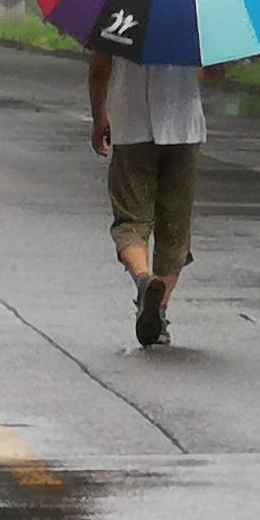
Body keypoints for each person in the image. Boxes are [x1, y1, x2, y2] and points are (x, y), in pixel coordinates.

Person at [88, 51, 224, 347]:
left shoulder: (114, 7)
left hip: (130, 125)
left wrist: (99, 117)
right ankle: (158, 313)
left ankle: (143, 280)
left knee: (130, 222)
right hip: (183, 129)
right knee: (174, 230)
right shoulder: (194, 12)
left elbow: (99, 70)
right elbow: (215, 71)